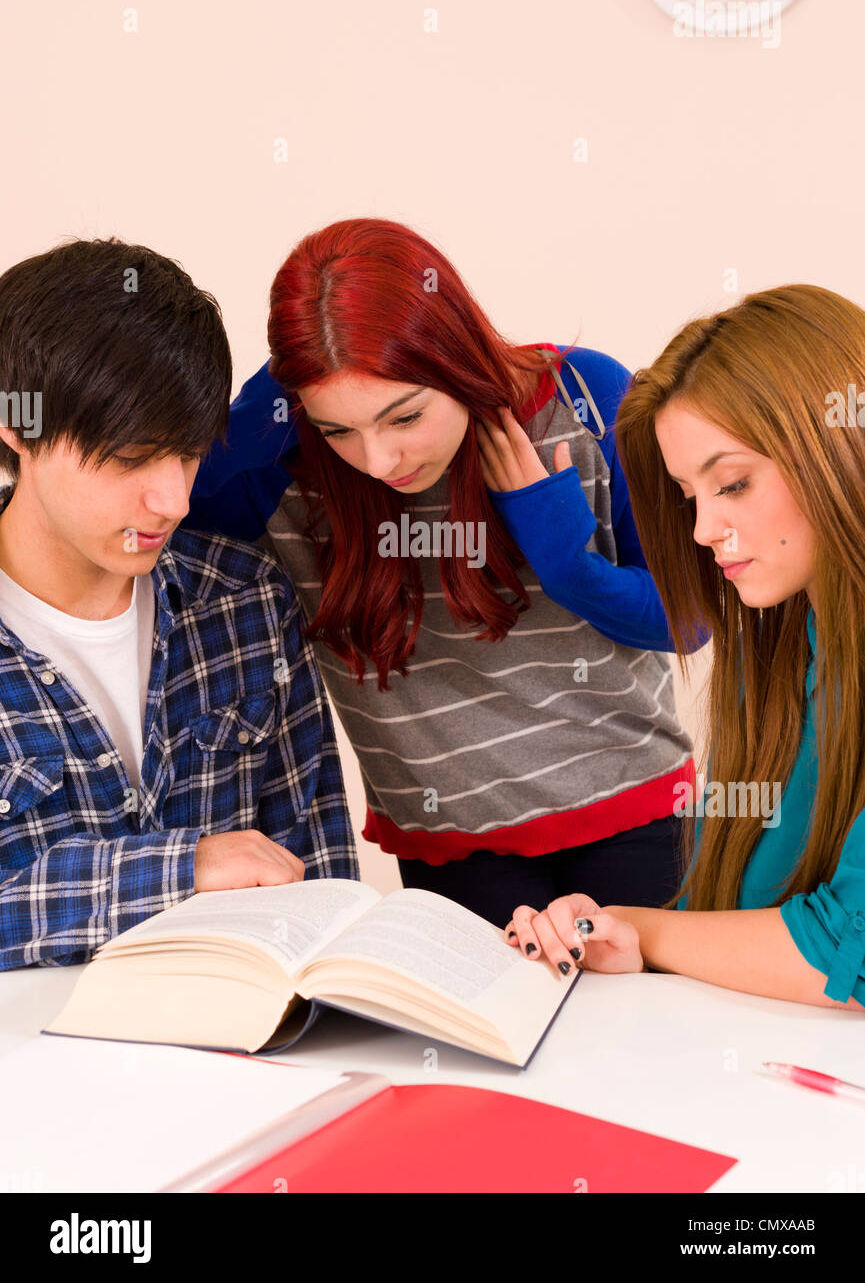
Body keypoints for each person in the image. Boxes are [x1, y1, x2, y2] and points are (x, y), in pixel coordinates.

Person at [186, 217, 704, 938]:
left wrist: (568, 565)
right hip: (451, 848)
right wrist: (250, 417)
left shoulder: (585, 398)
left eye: (405, 416)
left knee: (654, 1039)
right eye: (339, 429)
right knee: (493, 1047)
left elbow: (688, 620)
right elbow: (150, 508)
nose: (378, 459)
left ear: (452, 355)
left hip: (640, 820)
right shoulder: (283, 464)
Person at [0, 237, 358, 970]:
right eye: (130, 458)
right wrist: (179, 870)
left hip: (242, 1063)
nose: (174, 500)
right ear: (17, 428)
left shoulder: (246, 602)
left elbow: (320, 877)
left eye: (190, 452)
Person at [506, 284, 865, 1010]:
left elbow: (845, 948)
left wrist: (647, 927)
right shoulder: (781, 644)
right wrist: (611, 933)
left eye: (731, 483)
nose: (703, 531)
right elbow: (731, 895)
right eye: (687, 495)